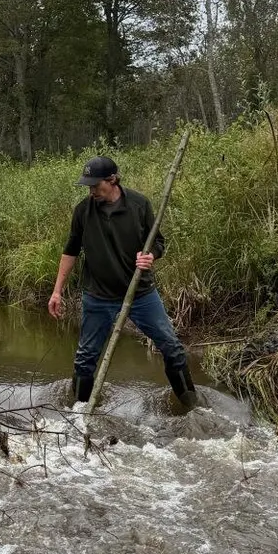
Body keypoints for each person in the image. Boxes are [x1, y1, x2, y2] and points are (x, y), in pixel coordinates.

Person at [47, 156, 198, 407]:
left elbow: (158, 241)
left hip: (140, 293)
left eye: (96, 185)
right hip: (98, 295)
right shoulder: (83, 211)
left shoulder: (139, 205)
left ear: (113, 180)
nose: (92, 190)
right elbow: (70, 251)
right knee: (85, 360)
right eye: (88, 186)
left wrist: (151, 256)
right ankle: (79, 414)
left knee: (172, 349)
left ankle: (192, 407)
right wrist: (57, 291)